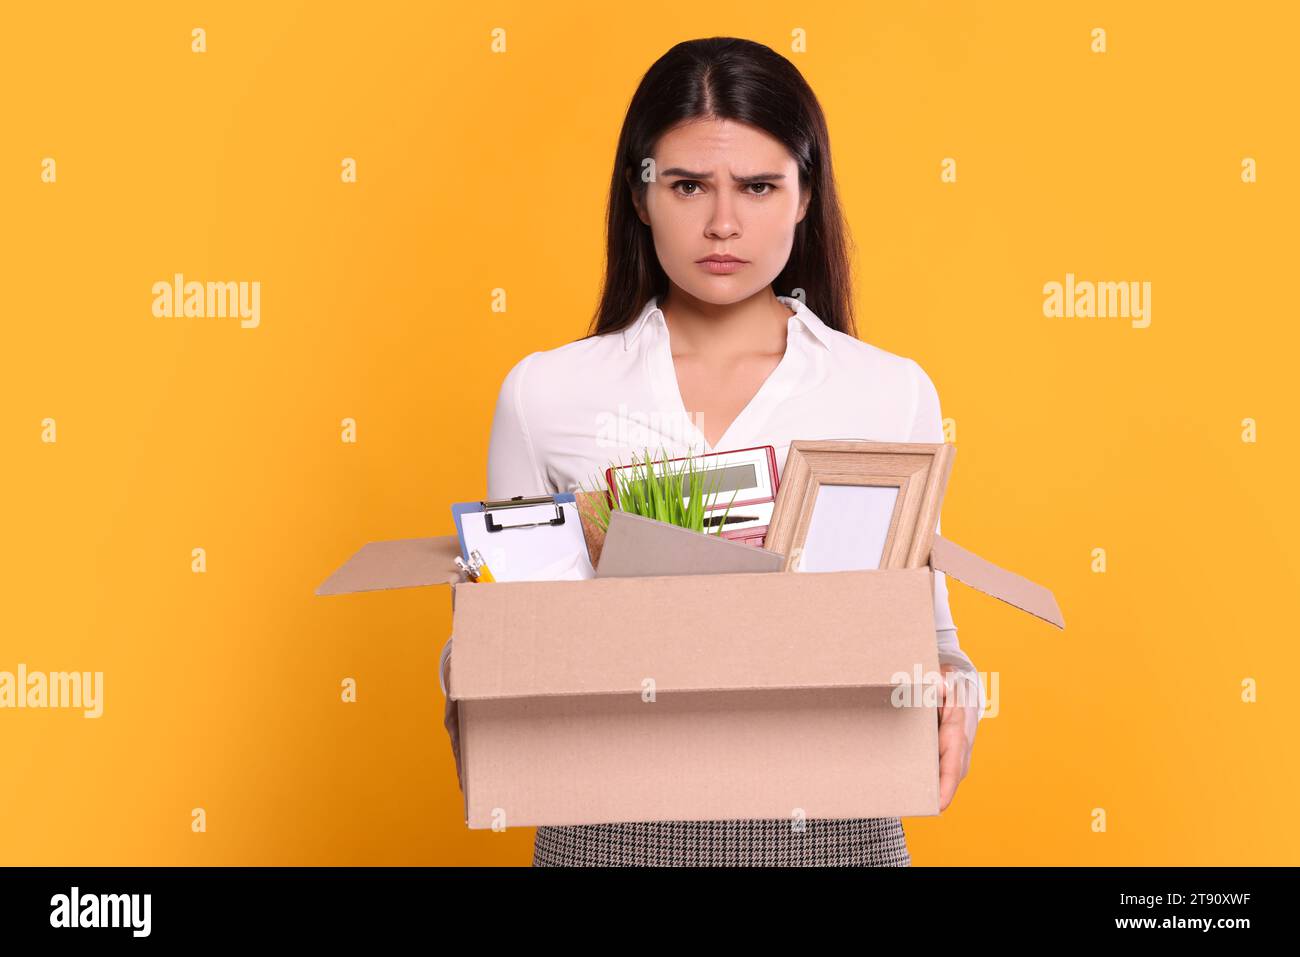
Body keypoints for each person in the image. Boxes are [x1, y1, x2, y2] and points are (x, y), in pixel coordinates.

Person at [477, 35, 984, 866]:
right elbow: (494, 637)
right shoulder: (547, 395)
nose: (722, 222)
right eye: (687, 185)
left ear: (804, 195)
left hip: (833, 834)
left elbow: (928, 634)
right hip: (610, 835)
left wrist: (956, 692)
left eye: (757, 186)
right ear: (640, 196)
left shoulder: (889, 394)